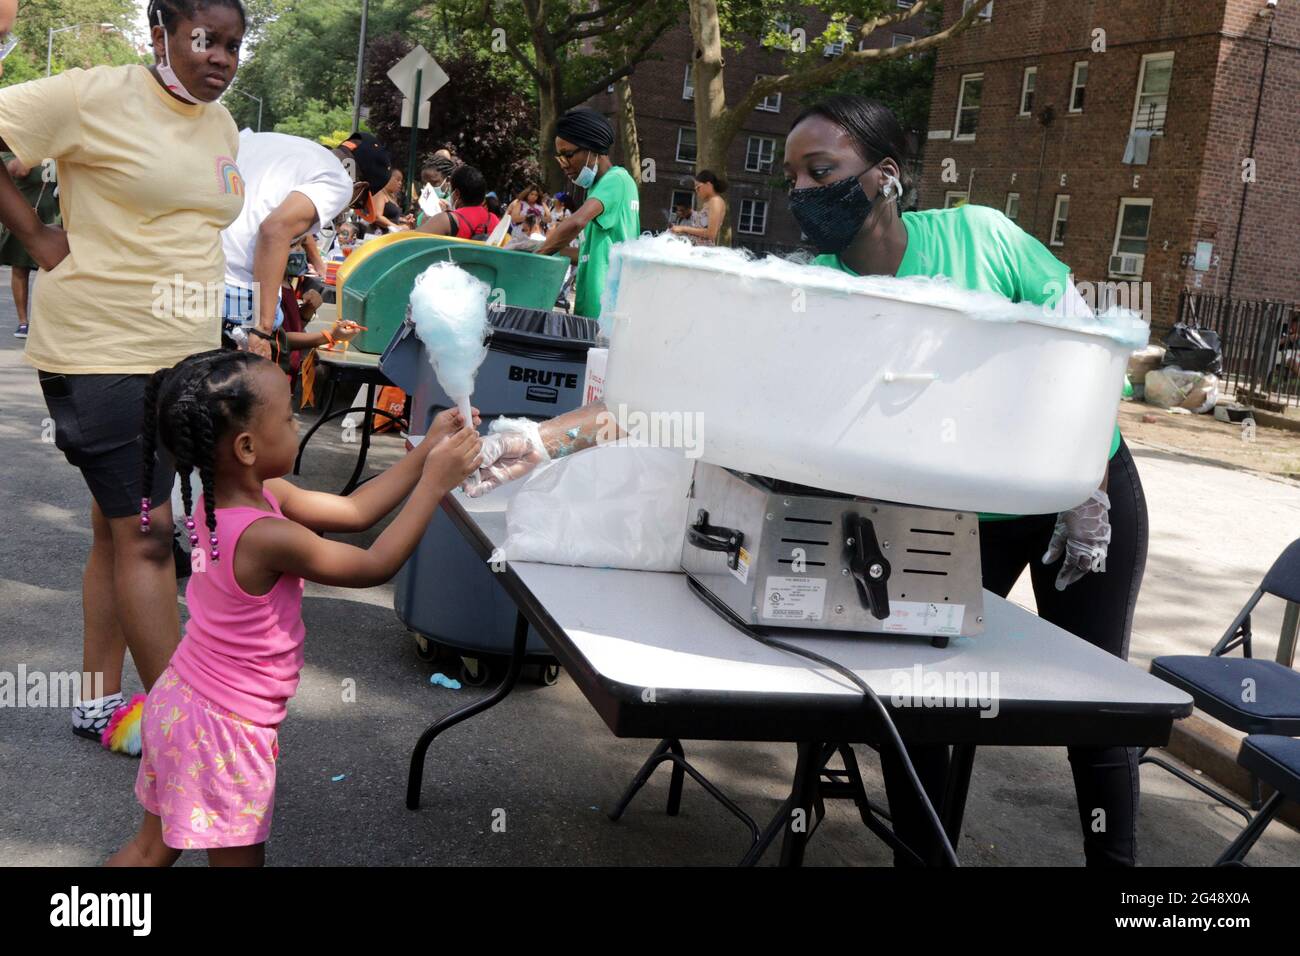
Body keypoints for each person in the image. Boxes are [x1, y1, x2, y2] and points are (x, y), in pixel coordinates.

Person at [463, 94, 1144, 868]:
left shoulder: (979, 238)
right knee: (920, 705)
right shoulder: (815, 293)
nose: (803, 193)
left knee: (1101, 712)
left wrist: (1087, 475)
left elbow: (1089, 347)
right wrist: (539, 441)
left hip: (1075, 495)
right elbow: (696, 391)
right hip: (948, 513)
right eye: (793, 176)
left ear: (885, 177)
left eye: (823, 172)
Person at [105, 350, 481, 865]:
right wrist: (435, 485)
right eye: (287, 417)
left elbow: (354, 510)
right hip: (224, 728)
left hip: (182, 701)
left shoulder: (238, 496)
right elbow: (373, 564)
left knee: (152, 849)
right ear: (246, 446)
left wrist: (426, 451)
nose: (295, 423)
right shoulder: (266, 536)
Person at [0, 0, 248, 750]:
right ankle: (189, 728)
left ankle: (97, 701)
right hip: (100, 351)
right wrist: (38, 237)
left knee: (119, 534)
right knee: (149, 536)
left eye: (235, 45)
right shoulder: (92, 95)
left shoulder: (222, 125)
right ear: (161, 33)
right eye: (206, 39)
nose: (222, 58)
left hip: (185, 358)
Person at [223, 128, 390, 360]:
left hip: (191, 275)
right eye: (357, 203)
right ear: (359, 187)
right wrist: (262, 328)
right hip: (235, 294)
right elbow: (275, 229)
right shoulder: (339, 179)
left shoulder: (261, 141)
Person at [535, 106, 640, 319]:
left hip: (604, 315)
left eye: (568, 155)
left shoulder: (616, 180)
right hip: (590, 310)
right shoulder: (597, 188)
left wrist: (536, 257)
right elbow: (588, 255)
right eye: (560, 158)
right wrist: (540, 249)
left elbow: (576, 223)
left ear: (592, 149)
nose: (564, 165)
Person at [1, 150, 58, 337]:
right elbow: (21, 171)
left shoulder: (55, 151)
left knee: (54, 268)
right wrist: (33, 147)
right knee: (20, 268)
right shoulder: (10, 155)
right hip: (24, 218)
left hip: (54, 216)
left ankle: (52, 320)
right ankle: (23, 321)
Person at [415, 164, 500, 241]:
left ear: (456, 194)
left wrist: (428, 218)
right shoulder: (495, 220)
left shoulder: (446, 220)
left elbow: (413, 240)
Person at [670, 170, 726, 246]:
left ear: (708, 184)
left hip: (703, 252)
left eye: (698, 187)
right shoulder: (708, 203)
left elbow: (711, 233)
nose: (696, 191)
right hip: (696, 249)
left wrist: (683, 228)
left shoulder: (715, 201)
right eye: (695, 188)